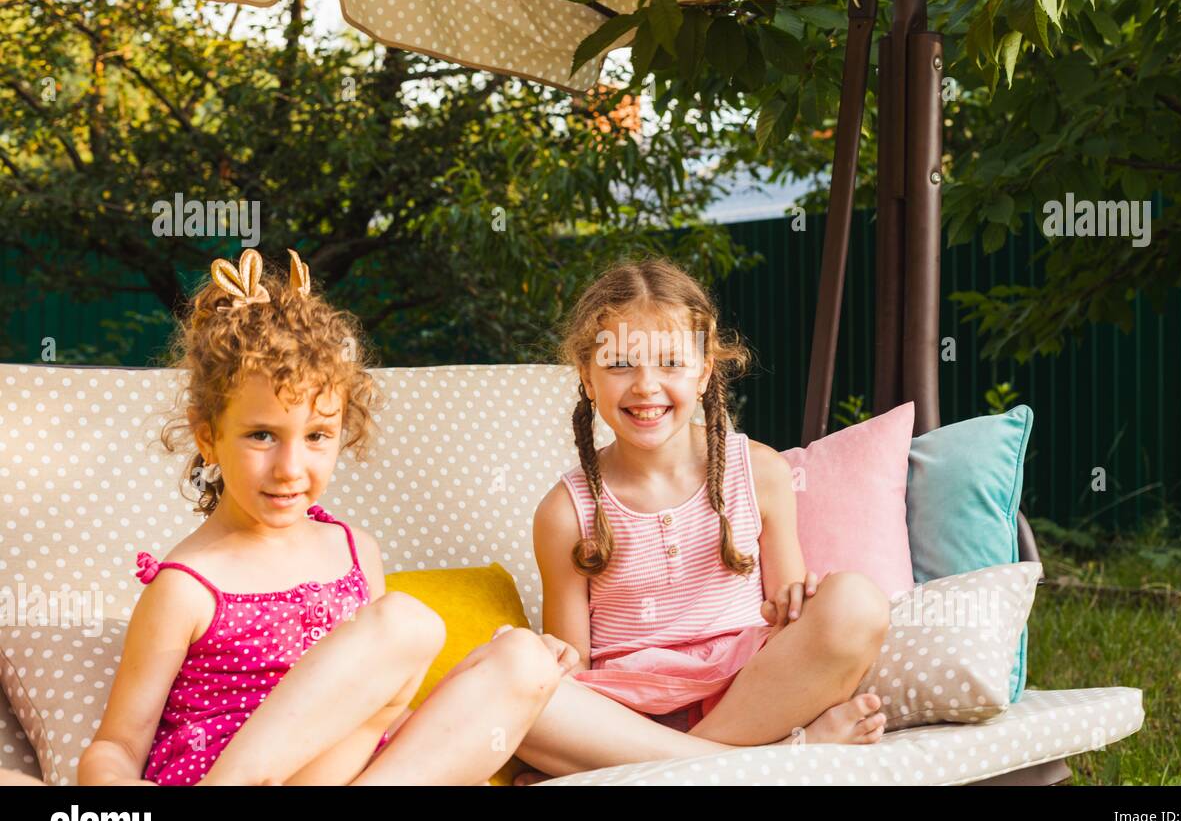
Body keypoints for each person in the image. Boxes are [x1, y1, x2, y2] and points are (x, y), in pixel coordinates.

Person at [75, 248, 570, 786]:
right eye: (261, 435)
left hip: (349, 772)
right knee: (406, 623)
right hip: (223, 771)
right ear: (207, 436)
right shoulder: (186, 586)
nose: (290, 468)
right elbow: (117, 745)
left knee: (523, 659)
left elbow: (381, 715)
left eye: (316, 436)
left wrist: (474, 704)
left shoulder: (355, 552)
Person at [511, 258, 892, 782]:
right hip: (630, 712)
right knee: (516, 693)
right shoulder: (565, 512)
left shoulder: (760, 471)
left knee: (857, 601)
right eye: (620, 364)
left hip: (749, 690)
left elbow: (787, 617)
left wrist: (803, 604)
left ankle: (671, 767)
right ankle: (775, 760)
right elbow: (574, 665)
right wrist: (548, 663)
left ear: (705, 370)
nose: (646, 386)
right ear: (587, 377)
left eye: (670, 363)